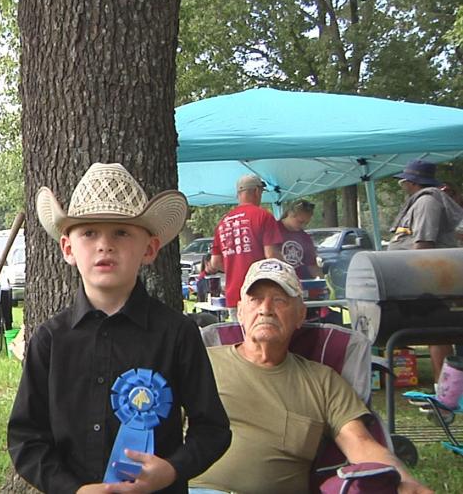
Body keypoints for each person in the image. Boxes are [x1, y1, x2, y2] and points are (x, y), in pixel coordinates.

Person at [8, 163, 231, 493]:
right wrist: (74, 489)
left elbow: (213, 429)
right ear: (68, 249)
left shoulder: (177, 334)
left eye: (122, 232)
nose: (105, 245)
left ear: (150, 249)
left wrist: (171, 470)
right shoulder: (50, 340)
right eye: (89, 233)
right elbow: (26, 439)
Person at [190, 259, 432, 494]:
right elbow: (160, 431)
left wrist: (407, 481)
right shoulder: (202, 362)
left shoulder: (323, 381)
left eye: (279, 300)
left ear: (300, 315)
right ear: (240, 312)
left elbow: (361, 444)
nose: (265, 309)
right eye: (255, 300)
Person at [388, 159, 463, 381]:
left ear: (411, 182)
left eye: (404, 181)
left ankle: (445, 389)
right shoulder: (422, 200)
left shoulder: (427, 202)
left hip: (432, 277)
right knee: (436, 334)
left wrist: (414, 279)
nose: (403, 186)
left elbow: (424, 243)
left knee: (438, 333)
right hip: (430, 276)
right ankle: (446, 387)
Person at [207, 174, 284, 319]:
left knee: (241, 338)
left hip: (234, 296)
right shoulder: (263, 216)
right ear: (256, 191)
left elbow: (215, 262)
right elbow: (271, 255)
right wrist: (288, 270)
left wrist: (235, 268)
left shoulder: (223, 222)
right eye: (261, 192)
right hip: (261, 294)